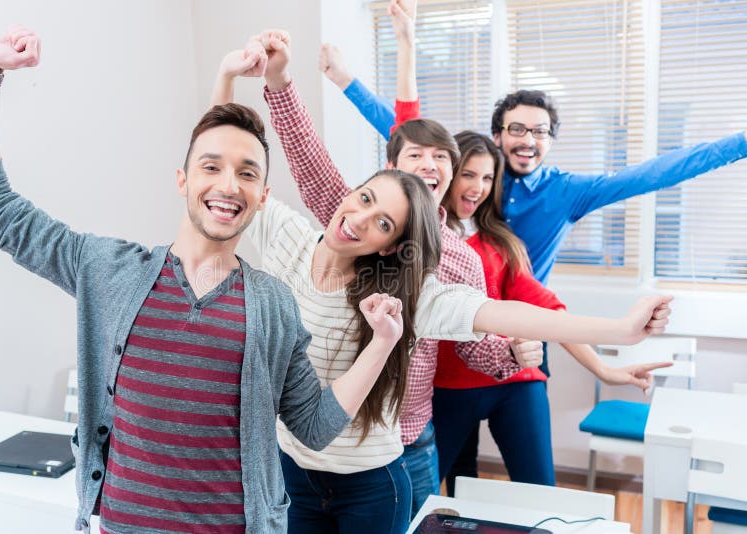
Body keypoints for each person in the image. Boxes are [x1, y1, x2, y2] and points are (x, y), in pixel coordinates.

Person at [0, 28, 413, 534]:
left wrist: (382, 343)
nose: (226, 184)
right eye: (211, 167)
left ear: (262, 196)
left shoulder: (272, 303)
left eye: (246, 173)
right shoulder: (109, 271)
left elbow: (315, 425)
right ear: (183, 180)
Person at [216, 29, 672, 532]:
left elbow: (498, 318)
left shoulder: (431, 276)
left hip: (399, 442)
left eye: (442, 160)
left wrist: (565, 344)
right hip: (299, 457)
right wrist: (277, 78)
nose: (428, 165)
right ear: (386, 169)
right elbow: (298, 154)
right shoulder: (326, 226)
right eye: (414, 156)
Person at [433, 131, 672, 492]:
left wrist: (603, 369)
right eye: (468, 174)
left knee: (540, 493)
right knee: (433, 494)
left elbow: (548, 310)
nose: (478, 187)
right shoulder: (425, 240)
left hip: (515, 383)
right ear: (447, 174)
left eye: (487, 178)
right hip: (447, 386)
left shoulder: (500, 244)